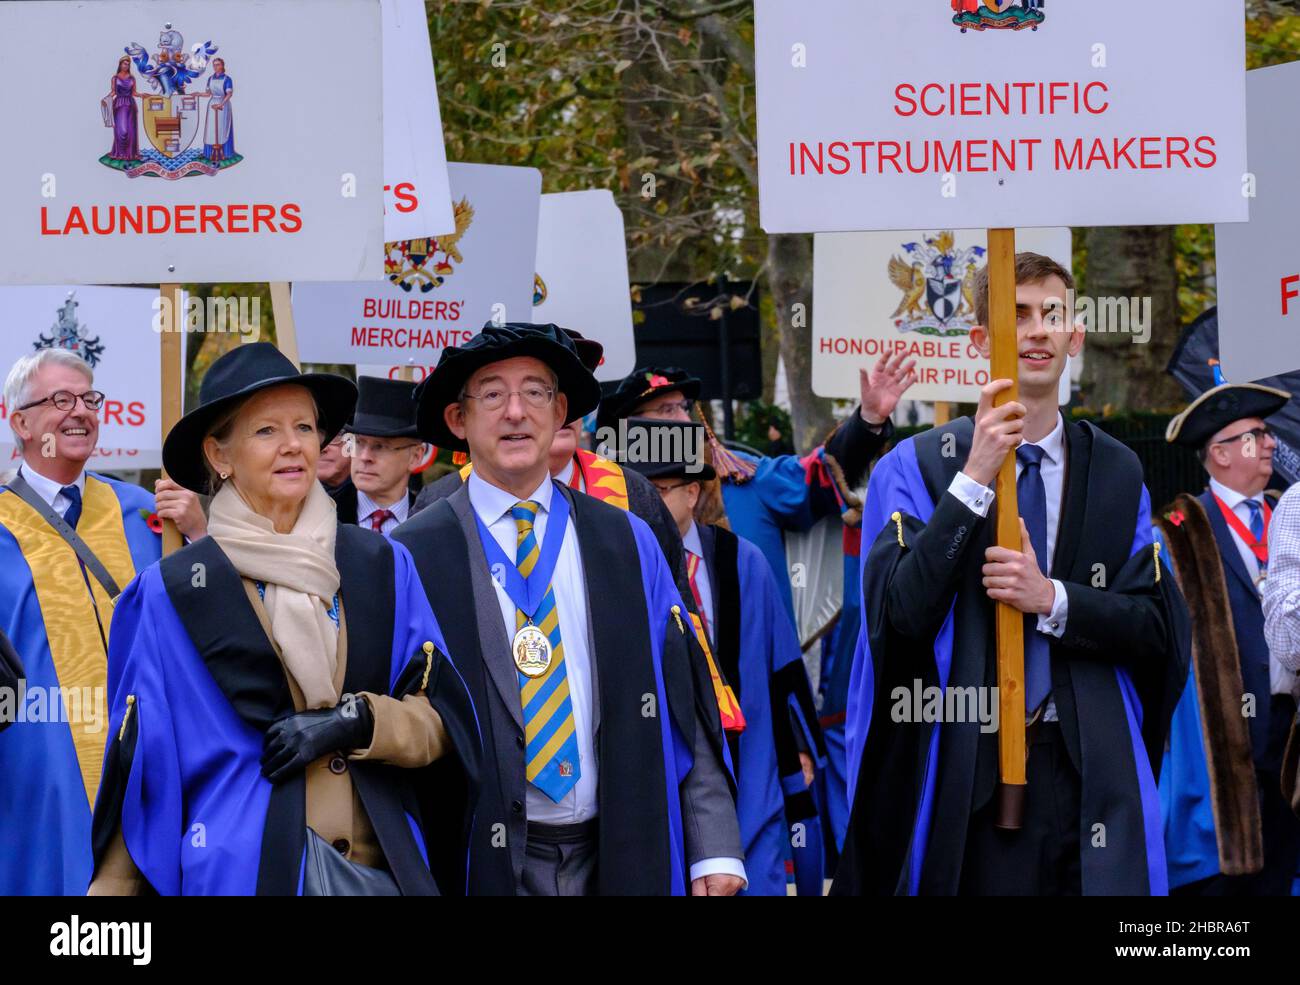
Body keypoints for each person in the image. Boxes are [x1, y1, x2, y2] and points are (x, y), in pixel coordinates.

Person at [834, 252, 1189, 895]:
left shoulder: (1115, 471)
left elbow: (1155, 628)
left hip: (1086, 769)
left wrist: (1051, 598)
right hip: (966, 767)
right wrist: (973, 480)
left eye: (1052, 315)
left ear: (1074, 336)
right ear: (980, 341)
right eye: (1016, 315)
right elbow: (900, 618)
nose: (1036, 331)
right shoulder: (915, 468)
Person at [88, 343, 479, 896]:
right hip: (238, 876)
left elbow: (443, 720)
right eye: (266, 431)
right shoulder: (170, 592)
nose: (294, 444)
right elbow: (141, 770)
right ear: (219, 455)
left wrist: (362, 722)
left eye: (305, 425)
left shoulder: (381, 565)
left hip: (380, 875)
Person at [393, 322, 746, 895]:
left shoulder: (627, 539)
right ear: (459, 421)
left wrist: (714, 846)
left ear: (561, 413)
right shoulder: (413, 553)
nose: (516, 412)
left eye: (535, 392)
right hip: (473, 853)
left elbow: (686, 692)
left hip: (617, 847)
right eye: (491, 394)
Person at [0, 348, 206, 895]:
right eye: (60, 400)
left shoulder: (145, 513)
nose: (82, 411)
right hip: (34, 770)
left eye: (90, 399)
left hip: (143, 760)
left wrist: (201, 539)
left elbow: (204, 620)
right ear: (19, 421)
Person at [628, 418, 825, 896]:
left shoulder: (743, 561)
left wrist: (796, 745)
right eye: (636, 490)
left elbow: (781, 665)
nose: (642, 504)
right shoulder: (620, 560)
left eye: (659, 489)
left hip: (749, 754)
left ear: (693, 493)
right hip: (659, 763)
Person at [598, 350, 914, 620]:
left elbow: (817, 473)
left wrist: (868, 420)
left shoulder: (741, 475)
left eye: (684, 407)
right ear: (631, 427)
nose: (683, 418)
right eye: (667, 409)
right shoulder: (610, 494)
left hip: (752, 668)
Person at [1156, 382, 1300, 894]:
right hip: (1223, 742)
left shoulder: (1291, 515)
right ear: (1218, 454)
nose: (1270, 444)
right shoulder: (1174, 530)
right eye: (1255, 434)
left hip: (1291, 736)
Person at [332, 376, 423, 535]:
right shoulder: (324, 515)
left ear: (415, 457)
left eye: (380, 447)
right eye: (359, 443)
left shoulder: (431, 523)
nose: (365, 456)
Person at [199, 57, 235, 162]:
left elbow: (229, 94)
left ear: (222, 66)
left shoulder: (227, 79)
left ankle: (225, 153)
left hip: (223, 104)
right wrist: (198, 94)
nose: (216, 67)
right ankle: (209, 153)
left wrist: (221, 104)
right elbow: (208, 93)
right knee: (211, 128)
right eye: (214, 65)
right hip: (212, 104)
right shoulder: (210, 78)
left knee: (222, 128)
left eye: (218, 64)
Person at [106, 56, 140, 162]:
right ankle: (120, 153)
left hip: (130, 105)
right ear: (120, 64)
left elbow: (134, 92)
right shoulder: (115, 78)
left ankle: (130, 154)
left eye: (128, 64)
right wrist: (107, 98)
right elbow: (113, 92)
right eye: (125, 64)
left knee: (130, 131)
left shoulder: (132, 78)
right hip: (119, 105)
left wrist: (143, 95)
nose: (126, 66)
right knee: (122, 130)